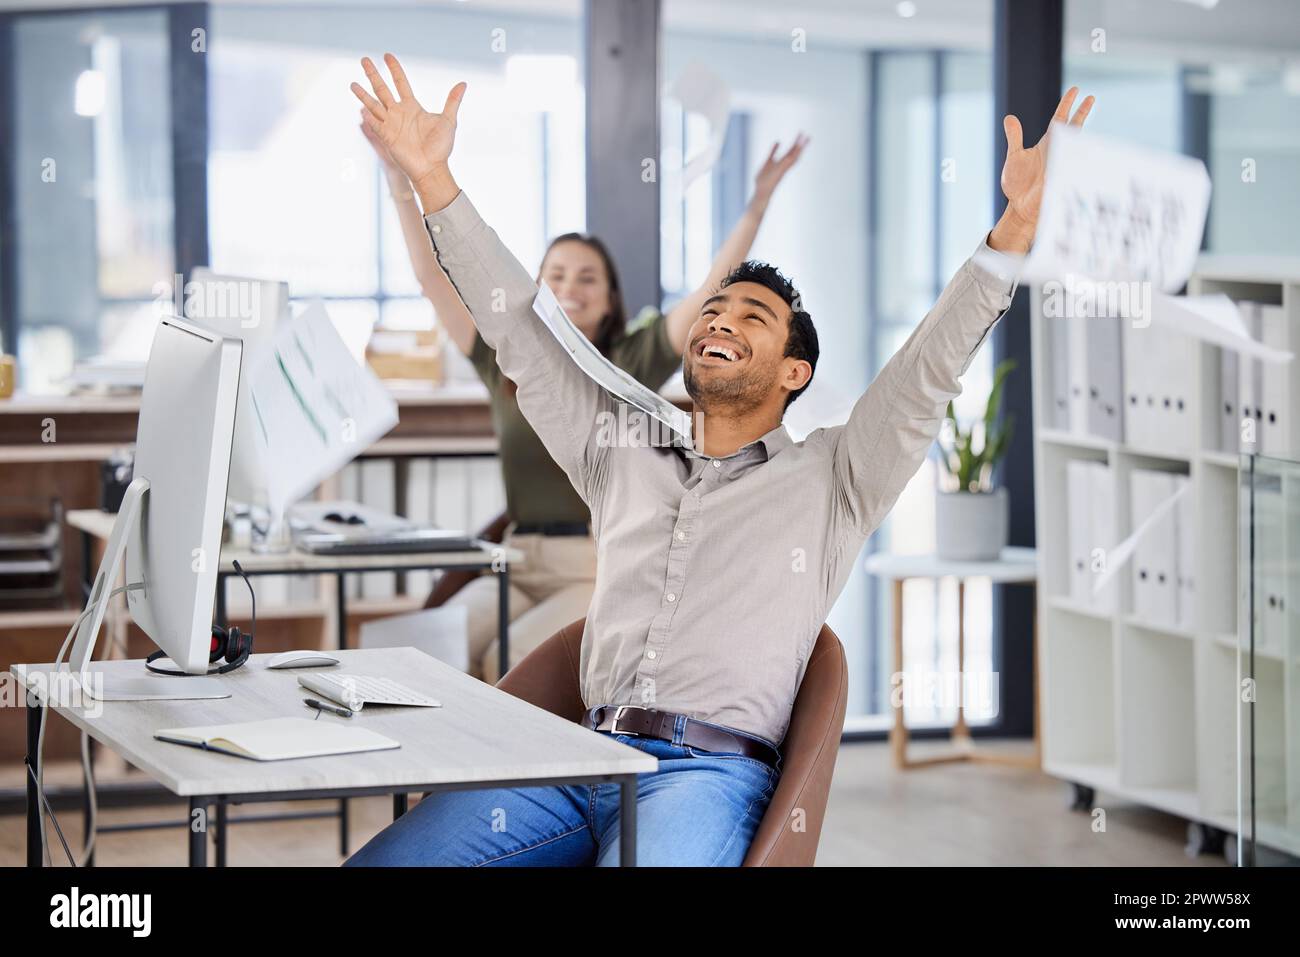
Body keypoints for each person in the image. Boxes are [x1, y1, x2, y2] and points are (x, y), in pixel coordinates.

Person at [344, 53, 1094, 866]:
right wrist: (433, 181)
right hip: (574, 758)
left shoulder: (836, 478)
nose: (720, 319)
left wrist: (1011, 235)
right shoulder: (618, 448)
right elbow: (522, 328)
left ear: (793, 371)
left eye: (753, 315)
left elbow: (926, 372)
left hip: (701, 775)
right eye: (713, 307)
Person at [361, 107, 806, 683]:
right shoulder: (507, 354)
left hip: (589, 565)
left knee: (509, 665)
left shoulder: (632, 359)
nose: (570, 288)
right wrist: (401, 176)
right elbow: (432, 277)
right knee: (430, 653)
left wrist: (758, 203)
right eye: (558, 276)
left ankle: (514, 775)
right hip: (516, 559)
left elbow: (708, 292)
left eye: (587, 279)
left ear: (609, 299)